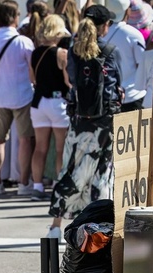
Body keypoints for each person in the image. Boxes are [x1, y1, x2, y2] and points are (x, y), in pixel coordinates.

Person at [48, 4, 122, 238]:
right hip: (105, 123)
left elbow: (71, 83)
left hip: (79, 121)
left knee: (71, 170)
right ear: (104, 26)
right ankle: (99, 229)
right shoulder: (110, 50)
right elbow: (116, 88)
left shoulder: (73, 51)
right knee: (102, 173)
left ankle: (55, 227)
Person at [0, 1, 35, 197]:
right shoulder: (24, 42)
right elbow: (32, 72)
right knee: (25, 139)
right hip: (22, 94)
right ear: (16, 17)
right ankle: (23, 182)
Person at [29, 15, 71, 201]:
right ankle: (58, 185)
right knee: (61, 148)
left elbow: (33, 79)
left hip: (38, 103)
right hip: (57, 102)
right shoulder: (62, 53)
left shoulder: (35, 52)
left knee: (40, 147)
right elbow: (68, 81)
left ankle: (37, 186)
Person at [101, 0, 148, 112]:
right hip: (133, 96)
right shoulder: (133, 34)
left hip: (108, 96)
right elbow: (142, 65)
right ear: (127, 11)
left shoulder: (100, 34)